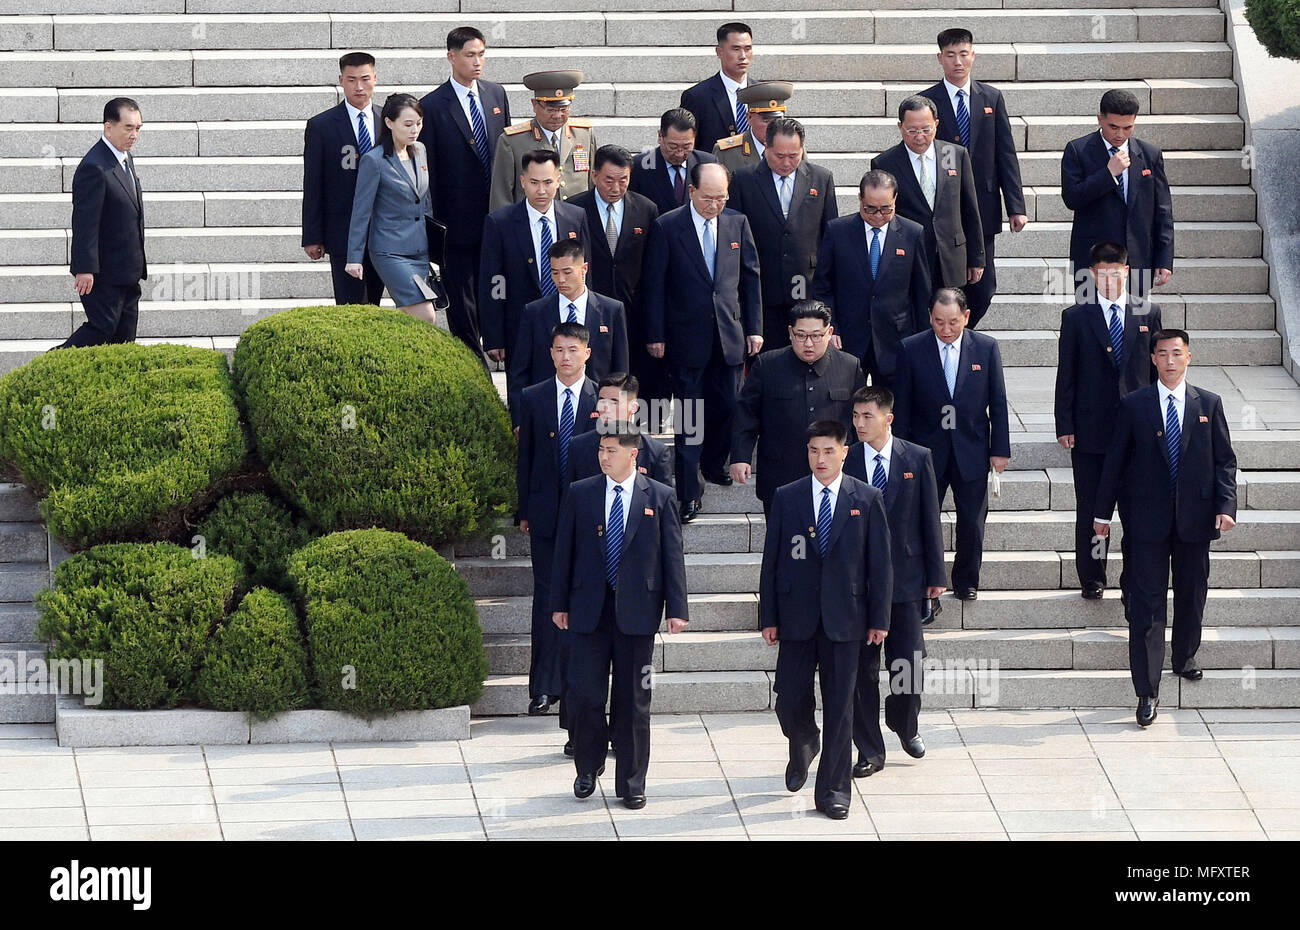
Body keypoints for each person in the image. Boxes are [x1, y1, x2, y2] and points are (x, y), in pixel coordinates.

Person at [1093, 330, 1237, 727]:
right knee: (1147, 605)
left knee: (1192, 593)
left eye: (1177, 353)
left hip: (1195, 519)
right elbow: (1115, 464)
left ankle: (1185, 654)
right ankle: (1147, 690)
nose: (1170, 360)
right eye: (1163, 354)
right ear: (1153, 359)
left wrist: (1226, 506)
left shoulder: (1208, 403)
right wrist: (1102, 514)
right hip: (1146, 523)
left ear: (1189, 357)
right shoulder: (1134, 405)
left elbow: (1224, 461)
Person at [552, 423, 689, 809]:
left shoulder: (659, 497)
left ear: (633, 454)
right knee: (585, 695)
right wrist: (559, 603)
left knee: (633, 701)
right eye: (601, 449)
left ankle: (631, 782)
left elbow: (672, 557)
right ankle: (586, 767)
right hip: (587, 612)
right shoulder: (581, 494)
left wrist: (677, 609)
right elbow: (564, 552)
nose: (603, 456)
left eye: (611, 450)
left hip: (637, 614)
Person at [760, 420, 892, 820]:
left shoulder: (866, 499)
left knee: (841, 707)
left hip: (846, 620)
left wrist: (879, 618)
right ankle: (802, 740)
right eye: (814, 451)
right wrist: (769, 615)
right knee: (789, 697)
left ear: (844, 452)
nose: (821, 459)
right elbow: (773, 561)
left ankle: (835, 789)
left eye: (829, 451)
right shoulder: (788, 497)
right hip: (796, 618)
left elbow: (880, 565)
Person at [642, 162, 762, 523]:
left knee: (727, 406)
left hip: (728, 336)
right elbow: (655, 285)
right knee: (690, 416)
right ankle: (688, 492)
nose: (714, 205)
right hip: (685, 339)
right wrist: (656, 335)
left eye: (721, 198)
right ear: (691, 192)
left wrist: (754, 328)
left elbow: (751, 279)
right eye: (708, 198)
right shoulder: (668, 226)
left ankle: (714, 464)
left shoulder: (737, 223)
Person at [844, 387, 945, 777]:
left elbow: (929, 520)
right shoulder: (845, 460)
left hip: (906, 581)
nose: (859, 423)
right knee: (861, 672)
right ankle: (869, 749)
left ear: (888, 417)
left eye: (867, 416)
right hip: (858, 585)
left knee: (910, 663)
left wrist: (935, 576)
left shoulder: (917, 458)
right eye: (855, 416)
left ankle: (905, 722)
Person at [1055, 241, 1161, 599]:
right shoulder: (1076, 317)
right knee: (1091, 507)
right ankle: (1093, 576)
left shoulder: (1147, 313)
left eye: (1116, 273)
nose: (1109, 281)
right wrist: (1065, 424)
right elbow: (1066, 374)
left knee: (1134, 508)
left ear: (1127, 272)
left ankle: (1132, 576)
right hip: (1091, 428)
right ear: (1092, 275)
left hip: (1137, 430)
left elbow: (1155, 370)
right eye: (1102, 275)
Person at [893, 288, 1010, 601]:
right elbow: (902, 408)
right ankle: (926, 581)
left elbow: (997, 401)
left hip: (971, 449)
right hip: (925, 452)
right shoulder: (911, 349)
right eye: (939, 322)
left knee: (972, 521)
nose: (946, 330)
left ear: (967, 317)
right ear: (930, 317)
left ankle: (966, 579)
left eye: (953, 323)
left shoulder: (985, 348)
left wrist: (1000, 449)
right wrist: (901, 452)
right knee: (923, 521)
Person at [516, 322, 599, 721]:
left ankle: (577, 688)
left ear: (586, 352)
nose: (565, 357)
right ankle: (543, 688)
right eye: (558, 350)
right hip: (547, 516)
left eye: (572, 350)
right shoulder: (533, 398)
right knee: (547, 601)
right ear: (550, 353)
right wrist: (524, 511)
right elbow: (525, 459)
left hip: (591, 520)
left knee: (583, 604)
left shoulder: (602, 399)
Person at [919, 28, 1027, 328]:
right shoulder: (926, 102)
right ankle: (945, 334)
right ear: (940, 58)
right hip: (946, 208)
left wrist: (1016, 206)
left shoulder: (991, 97)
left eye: (964, 54)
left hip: (984, 205)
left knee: (983, 286)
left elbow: (1006, 153)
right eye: (951, 55)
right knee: (949, 281)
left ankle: (961, 331)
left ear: (973, 55)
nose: (958, 61)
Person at [417, 28, 511, 364]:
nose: (477, 62)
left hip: (496, 217)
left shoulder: (496, 95)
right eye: (470, 55)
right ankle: (474, 369)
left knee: (495, 293)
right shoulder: (431, 105)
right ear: (451, 56)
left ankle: (496, 350)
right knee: (462, 300)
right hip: (455, 223)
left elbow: (506, 155)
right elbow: (430, 171)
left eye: (481, 54)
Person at [730, 301, 864, 513]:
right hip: (780, 472)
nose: (808, 344)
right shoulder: (768, 365)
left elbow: (859, 422)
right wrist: (740, 456)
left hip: (833, 474)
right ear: (790, 333)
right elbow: (747, 413)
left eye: (816, 336)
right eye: (801, 335)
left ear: (829, 333)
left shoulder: (849, 366)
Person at [813, 170, 932, 391]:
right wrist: (832, 328)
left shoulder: (912, 233)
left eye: (886, 209)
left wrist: (920, 339)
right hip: (848, 338)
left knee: (891, 408)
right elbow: (822, 286)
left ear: (895, 199)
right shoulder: (838, 231)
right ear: (860, 199)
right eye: (870, 209)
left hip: (894, 339)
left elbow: (921, 292)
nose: (878, 216)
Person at [727, 117, 838, 349]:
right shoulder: (743, 180)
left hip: (807, 286)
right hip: (764, 288)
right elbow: (735, 235)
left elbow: (830, 236)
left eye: (793, 155)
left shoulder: (821, 178)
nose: (786, 163)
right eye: (779, 156)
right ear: (766, 148)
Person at [478, 149, 591, 372]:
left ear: (558, 180)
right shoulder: (500, 223)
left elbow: (587, 273)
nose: (541, 190)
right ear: (522, 182)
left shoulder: (576, 217)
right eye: (534, 182)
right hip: (519, 326)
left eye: (548, 182)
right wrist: (494, 336)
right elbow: (492, 282)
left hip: (568, 326)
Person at [570, 146, 664, 408]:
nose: (616, 187)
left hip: (632, 312)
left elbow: (653, 270)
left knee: (631, 380)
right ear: (594, 175)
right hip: (591, 309)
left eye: (623, 180)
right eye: (609, 180)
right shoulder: (574, 209)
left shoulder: (646, 209)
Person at [1062, 89, 1174, 299]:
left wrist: (1164, 259)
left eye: (1127, 127)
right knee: (1092, 324)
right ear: (1100, 119)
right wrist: (1108, 174)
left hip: (1138, 259)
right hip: (1094, 260)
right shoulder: (1078, 150)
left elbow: (1163, 211)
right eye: (1113, 126)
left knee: (1137, 325)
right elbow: (1072, 198)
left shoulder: (1149, 154)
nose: (1119, 134)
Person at [508, 239, 629, 424]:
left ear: (584, 268)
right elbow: (520, 371)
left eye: (567, 272)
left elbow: (620, 368)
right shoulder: (534, 312)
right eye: (554, 273)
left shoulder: (611, 310)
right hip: (546, 413)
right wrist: (519, 419)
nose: (560, 280)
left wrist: (619, 416)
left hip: (597, 412)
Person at [871, 96, 984, 291]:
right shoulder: (885, 163)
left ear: (937, 124)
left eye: (926, 129)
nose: (920, 136)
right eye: (912, 130)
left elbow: (970, 208)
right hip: (910, 257)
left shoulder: (955, 155)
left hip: (951, 256)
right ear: (900, 127)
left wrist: (976, 257)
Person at [344, 93, 437, 325]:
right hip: (389, 250)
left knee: (413, 318)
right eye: (408, 124)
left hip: (420, 250)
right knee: (426, 315)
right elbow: (361, 211)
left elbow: (425, 201)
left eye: (419, 123)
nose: (415, 129)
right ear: (389, 122)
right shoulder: (374, 160)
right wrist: (354, 257)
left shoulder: (421, 150)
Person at [62, 97, 147, 349]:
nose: (134, 135)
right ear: (108, 127)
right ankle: (50, 364)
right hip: (103, 273)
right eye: (128, 128)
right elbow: (85, 221)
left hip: (129, 270)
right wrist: (84, 268)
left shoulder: (124, 158)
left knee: (124, 337)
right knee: (102, 327)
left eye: (138, 128)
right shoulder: (94, 166)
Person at [302, 53, 385, 308]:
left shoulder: (389, 120)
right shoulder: (322, 126)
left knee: (376, 307)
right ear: (341, 81)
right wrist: (312, 235)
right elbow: (313, 183)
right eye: (351, 80)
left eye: (365, 79)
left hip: (384, 230)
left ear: (375, 79)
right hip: (343, 231)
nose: (359, 87)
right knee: (351, 305)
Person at [489, 70, 594, 211]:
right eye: (551, 109)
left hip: (575, 223)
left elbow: (592, 183)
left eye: (564, 109)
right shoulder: (512, 141)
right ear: (535, 105)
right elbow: (501, 194)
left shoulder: (584, 134)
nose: (557, 115)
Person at [565, 373, 674, 487]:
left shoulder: (655, 452)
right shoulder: (579, 446)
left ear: (634, 407)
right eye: (602, 400)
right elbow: (569, 500)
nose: (605, 407)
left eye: (614, 401)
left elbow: (662, 500)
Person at [628, 108, 719, 217]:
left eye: (686, 146)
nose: (680, 153)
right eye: (673, 146)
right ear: (660, 136)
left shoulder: (708, 164)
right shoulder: (639, 166)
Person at [681, 22, 756, 153]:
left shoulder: (763, 93)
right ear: (719, 52)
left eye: (748, 49)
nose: (743, 56)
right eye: (736, 49)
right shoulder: (697, 96)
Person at [712, 81, 790, 176]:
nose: (773, 127)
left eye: (777, 121)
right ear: (749, 118)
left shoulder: (792, 148)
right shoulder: (727, 152)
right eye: (766, 121)